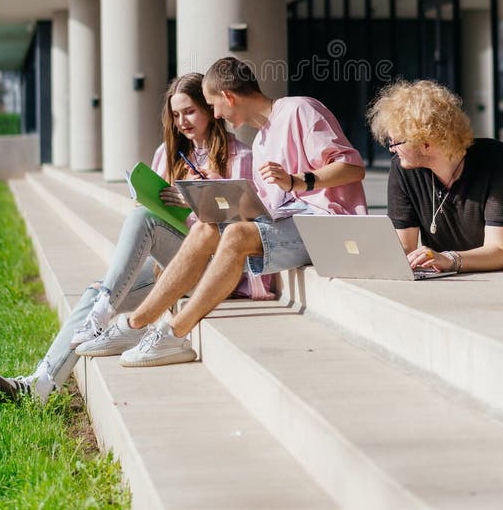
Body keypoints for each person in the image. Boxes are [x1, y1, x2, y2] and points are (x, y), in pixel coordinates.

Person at [0, 72, 271, 404]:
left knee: (142, 223)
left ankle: (102, 315)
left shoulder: (241, 156)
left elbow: (245, 225)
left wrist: (196, 201)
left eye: (191, 111)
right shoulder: (167, 155)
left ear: (210, 109)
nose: (182, 121)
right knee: (96, 288)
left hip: (213, 269)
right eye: (176, 114)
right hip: (169, 266)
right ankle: (41, 383)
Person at [77, 56, 367, 368]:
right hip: (287, 223)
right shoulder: (261, 142)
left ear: (229, 97)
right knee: (206, 226)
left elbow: (353, 167)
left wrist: (299, 181)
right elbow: (267, 208)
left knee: (237, 234)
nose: (215, 114)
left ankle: (175, 333)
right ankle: (135, 325)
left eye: (213, 105)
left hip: (324, 224)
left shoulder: (299, 109)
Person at [366, 61, 503, 274]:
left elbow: (500, 251)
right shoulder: (403, 169)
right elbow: (405, 247)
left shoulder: (499, 160)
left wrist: (450, 259)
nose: (391, 149)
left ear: (426, 143)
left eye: (395, 143)